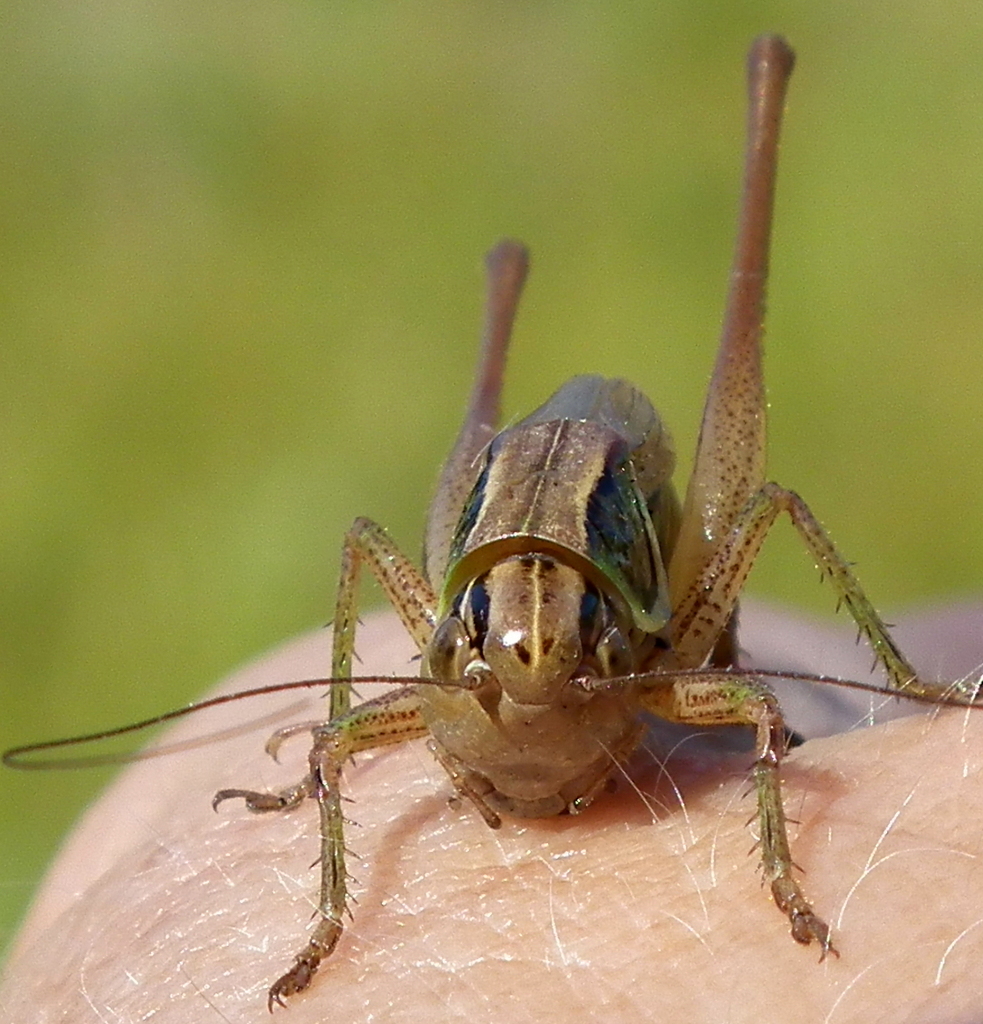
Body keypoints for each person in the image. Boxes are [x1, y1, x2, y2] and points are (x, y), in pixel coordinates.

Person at [3, 601, 983, 1023]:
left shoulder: (639, 657)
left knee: (761, 522)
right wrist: (322, 894)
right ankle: (327, 918)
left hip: (619, 577)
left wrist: (780, 881)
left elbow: (755, 690)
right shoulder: (437, 645)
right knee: (341, 714)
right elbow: (346, 714)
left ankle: (891, 690)